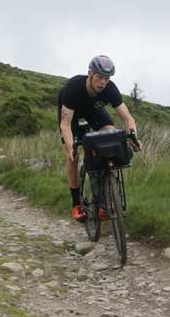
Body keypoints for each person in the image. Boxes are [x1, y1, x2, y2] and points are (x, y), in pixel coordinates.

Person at [57, 55, 140, 221]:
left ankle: (104, 196)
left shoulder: (110, 89)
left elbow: (128, 118)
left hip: (93, 111)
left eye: (107, 79)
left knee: (110, 133)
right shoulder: (74, 88)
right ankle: (76, 204)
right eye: (100, 77)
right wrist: (71, 144)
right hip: (71, 116)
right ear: (90, 73)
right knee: (72, 156)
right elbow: (65, 125)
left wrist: (133, 136)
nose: (103, 82)